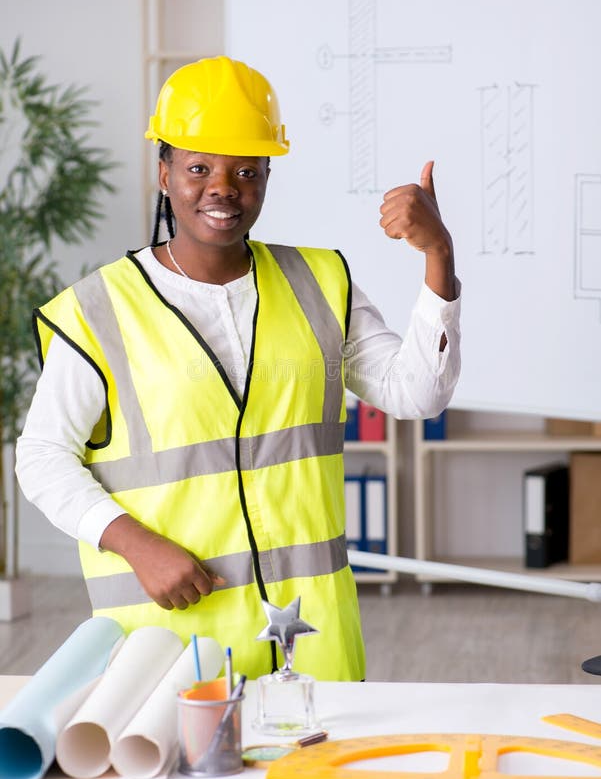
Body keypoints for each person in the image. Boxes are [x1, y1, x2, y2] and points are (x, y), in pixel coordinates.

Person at [16, 56, 460, 681]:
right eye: (199, 168)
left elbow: (418, 393)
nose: (223, 188)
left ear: (267, 178)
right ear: (164, 173)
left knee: (320, 776)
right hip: (170, 638)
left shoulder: (320, 284)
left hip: (311, 640)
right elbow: (40, 456)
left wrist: (437, 255)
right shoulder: (96, 311)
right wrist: (132, 543)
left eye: (245, 171)